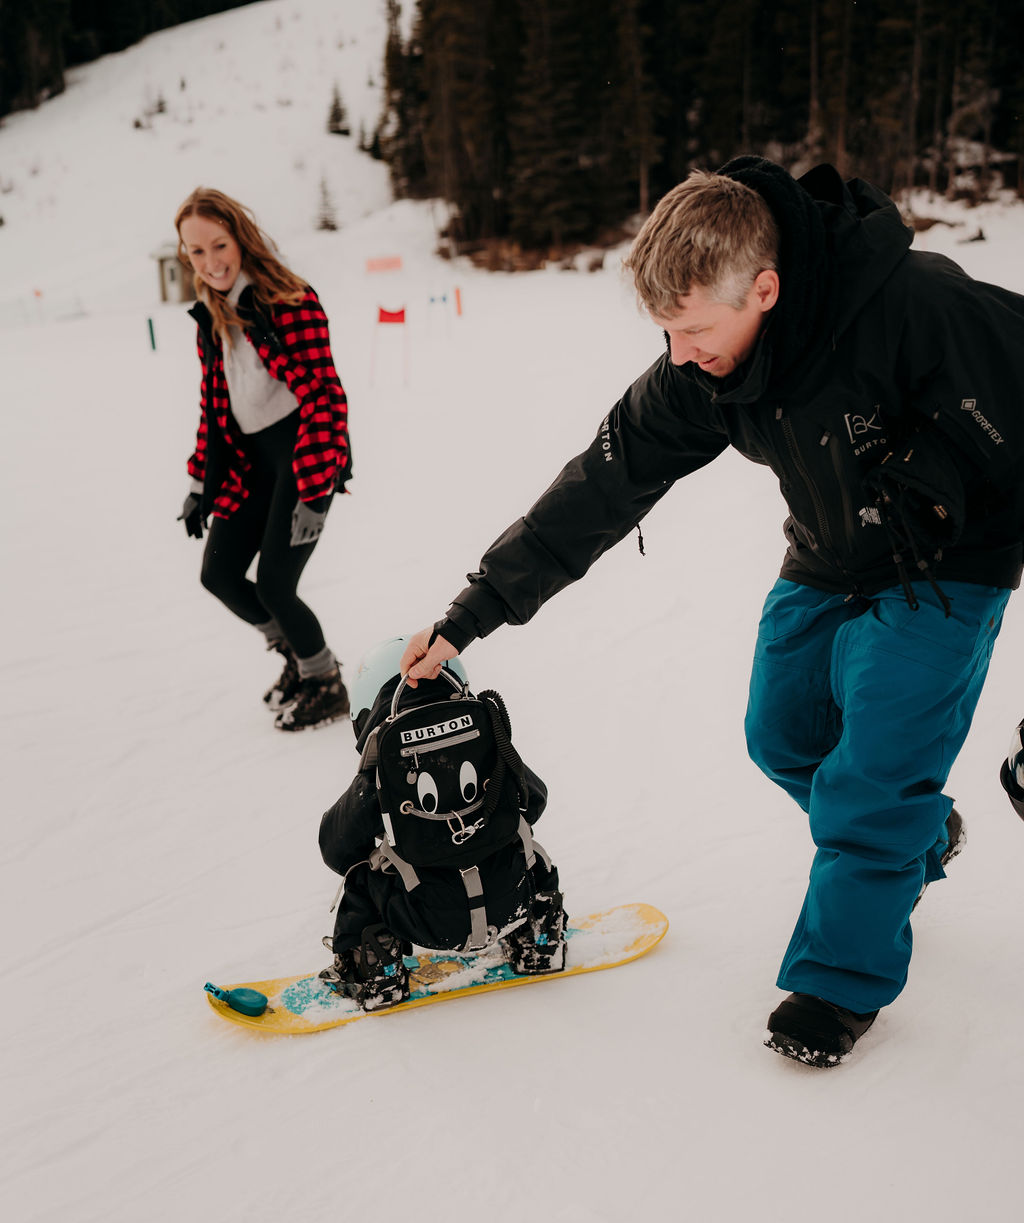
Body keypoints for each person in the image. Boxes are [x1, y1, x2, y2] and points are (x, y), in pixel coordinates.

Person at [399, 156, 1024, 1066]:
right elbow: (603, 483)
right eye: (666, 331)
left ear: (764, 288)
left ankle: (838, 984)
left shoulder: (919, 304)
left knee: (874, 781)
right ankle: (913, 836)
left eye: (694, 329)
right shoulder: (703, 368)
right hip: (827, 554)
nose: (680, 353)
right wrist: (473, 610)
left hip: (946, 564)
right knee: (782, 734)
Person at [175, 187, 351, 732]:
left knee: (276, 584)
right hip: (250, 463)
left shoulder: (289, 301)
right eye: (196, 251)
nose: (211, 262)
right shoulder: (213, 315)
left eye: (219, 245)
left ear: (240, 238)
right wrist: (200, 484)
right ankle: (298, 657)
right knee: (220, 574)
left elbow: (325, 397)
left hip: (304, 455)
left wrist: (315, 491)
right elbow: (214, 408)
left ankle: (326, 683)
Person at [317, 635, 564, 1011]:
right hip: (511, 897)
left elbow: (337, 848)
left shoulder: (383, 772)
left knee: (362, 877)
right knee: (527, 847)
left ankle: (377, 972)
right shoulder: (485, 744)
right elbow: (535, 798)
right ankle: (538, 940)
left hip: (424, 916)